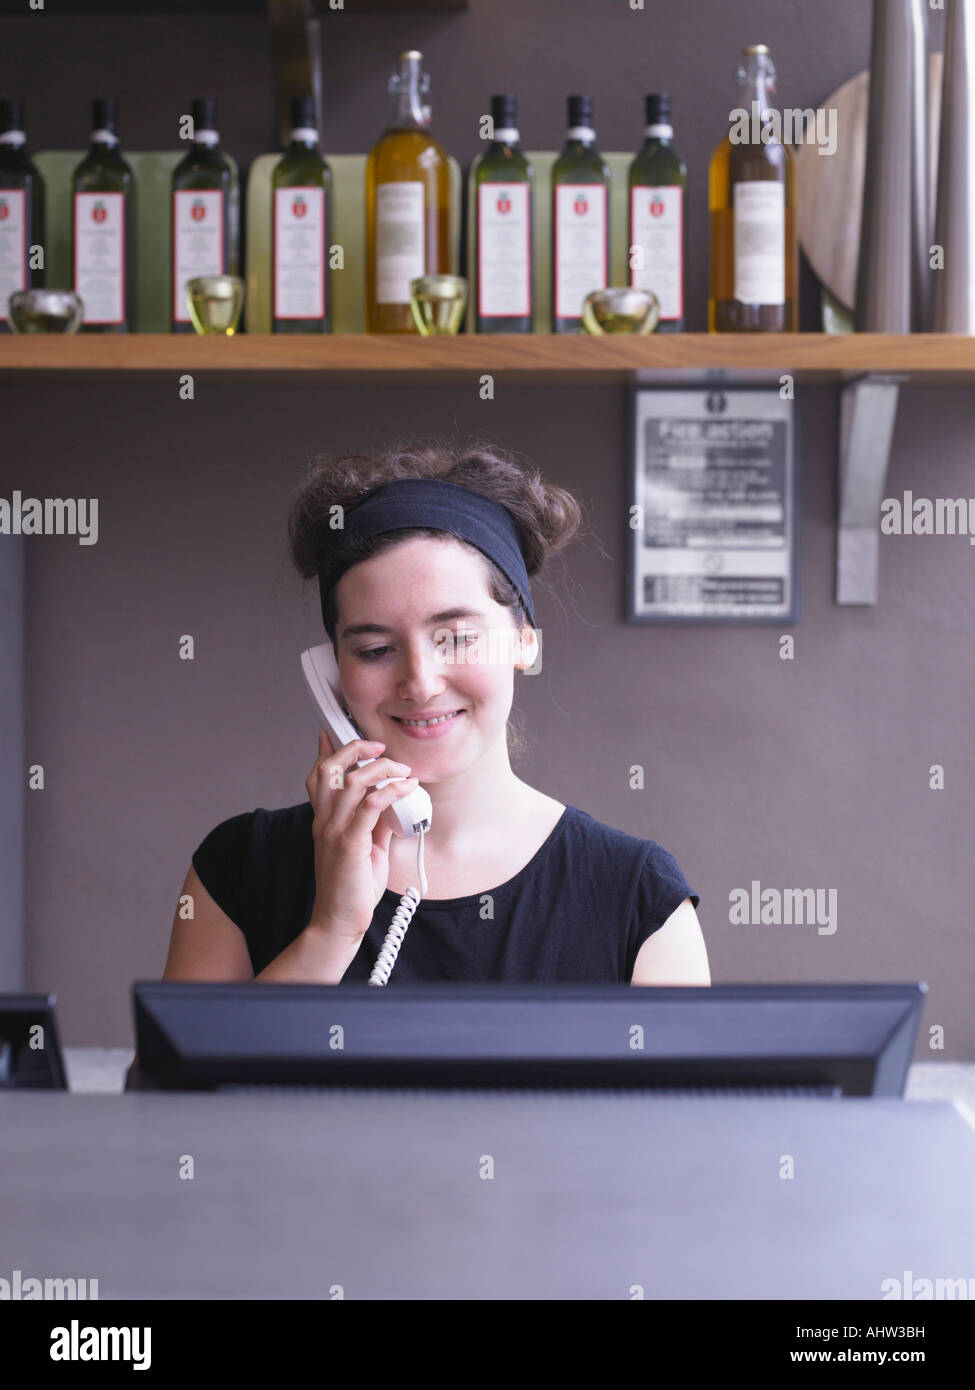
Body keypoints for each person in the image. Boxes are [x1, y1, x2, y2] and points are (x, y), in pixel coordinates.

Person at [159, 438, 709, 990]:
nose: (420, 683)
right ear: (331, 671)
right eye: (375, 650)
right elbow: (165, 1080)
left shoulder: (638, 897)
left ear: (524, 642)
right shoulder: (238, 868)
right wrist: (331, 934)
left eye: (456, 637)